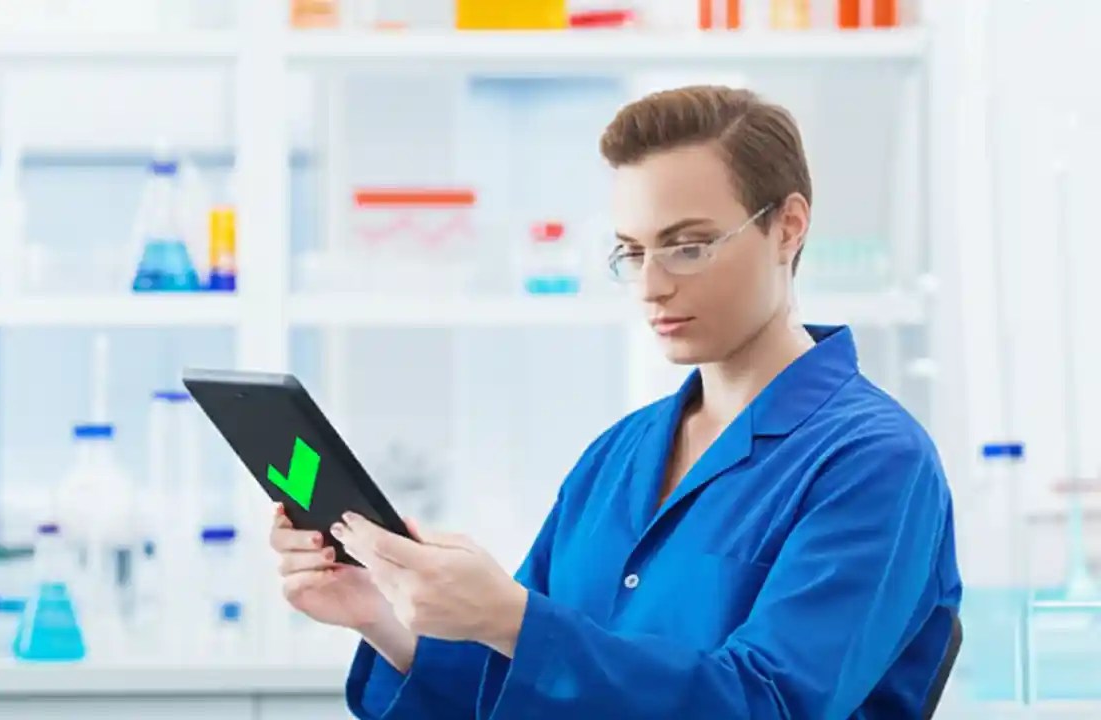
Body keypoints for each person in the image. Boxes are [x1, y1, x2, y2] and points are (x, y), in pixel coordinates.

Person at [269, 85, 962, 719]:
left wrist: (510, 618)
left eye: (687, 247)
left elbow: (771, 704)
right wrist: (386, 617)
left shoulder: (874, 464)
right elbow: (521, 692)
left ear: (787, 227)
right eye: (632, 253)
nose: (651, 286)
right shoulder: (618, 457)